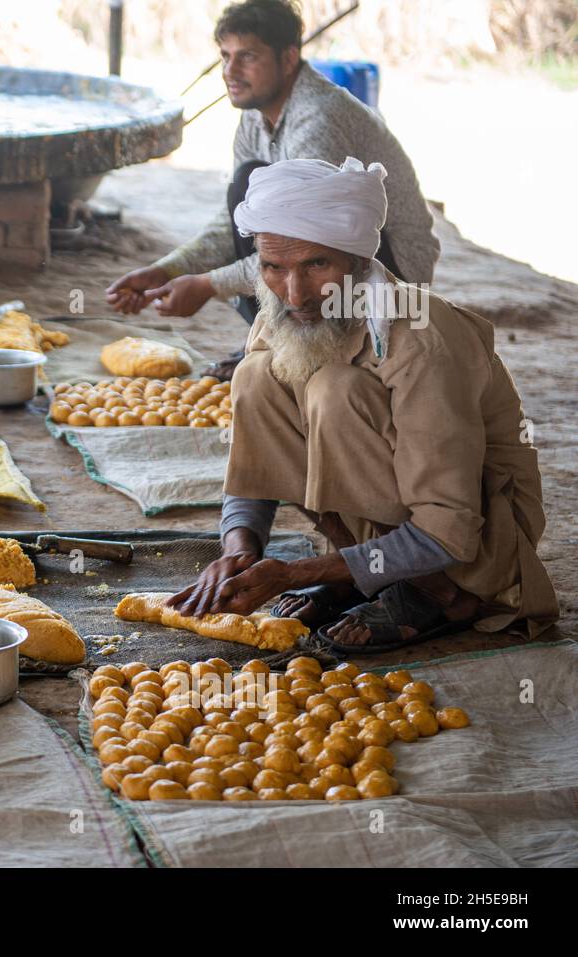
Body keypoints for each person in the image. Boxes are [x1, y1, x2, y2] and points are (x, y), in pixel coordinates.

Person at [169, 156, 557, 652]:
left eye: (316, 265)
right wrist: (239, 549)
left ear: (356, 261)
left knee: (336, 390)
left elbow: (450, 529)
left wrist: (294, 573)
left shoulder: (420, 339)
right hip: (379, 528)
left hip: (476, 544)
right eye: (273, 267)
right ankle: (361, 574)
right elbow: (258, 452)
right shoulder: (284, 316)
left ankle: (441, 596)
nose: (295, 293)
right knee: (256, 377)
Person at [106, 0, 439, 379]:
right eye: (225, 55)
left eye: (247, 56)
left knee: (279, 229)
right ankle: (283, 343)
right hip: (326, 255)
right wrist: (168, 270)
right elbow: (237, 223)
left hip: (389, 266)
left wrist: (206, 285)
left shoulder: (318, 119)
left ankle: (313, 352)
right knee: (246, 193)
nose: (230, 71)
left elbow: (311, 245)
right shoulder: (254, 117)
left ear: (288, 58)